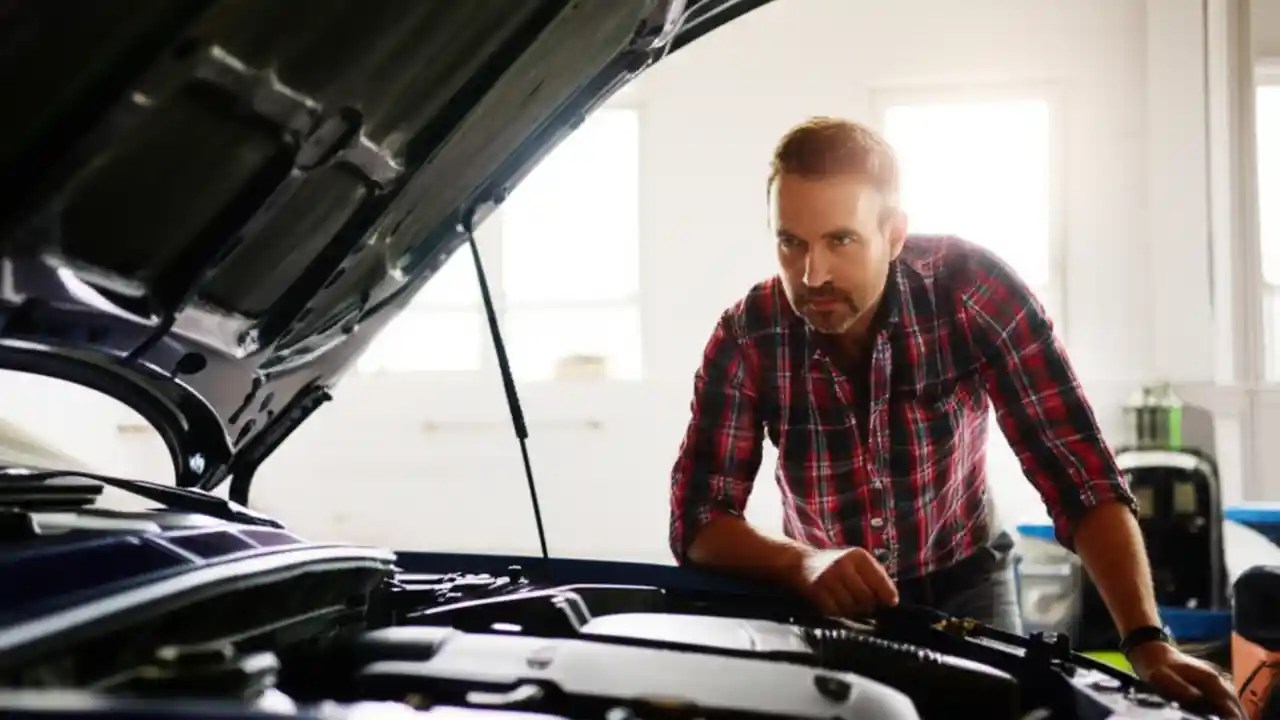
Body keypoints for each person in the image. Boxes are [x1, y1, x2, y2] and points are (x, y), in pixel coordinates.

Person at [667, 116, 1242, 718]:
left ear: (894, 234)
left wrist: (1147, 642)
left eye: (841, 240)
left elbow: (1078, 474)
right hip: (824, 592)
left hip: (969, 583)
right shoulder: (747, 334)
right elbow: (698, 518)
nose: (813, 275)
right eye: (791, 243)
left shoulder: (972, 290)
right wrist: (801, 561)